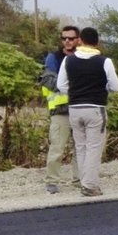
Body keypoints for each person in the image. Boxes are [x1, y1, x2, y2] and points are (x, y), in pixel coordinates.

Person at [56, 27, 118, 197]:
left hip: (74, 108)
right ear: (97, 42)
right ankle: (90, 185)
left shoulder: (68, 61)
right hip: (95, 108)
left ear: (80, 41)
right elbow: (115, 86)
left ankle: (84, 181)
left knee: (81, 146)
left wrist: (75, 91)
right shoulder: (104, 61)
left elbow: (61, 85)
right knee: (94, 147)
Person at [39, 26, 82, 194]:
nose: (67, 41)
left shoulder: (83, 57)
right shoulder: (53, 58)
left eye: (71, 38)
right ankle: (52, 181)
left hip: (79, 108)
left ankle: (79, 180)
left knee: (81, 148)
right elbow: (50, 81)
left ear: (78, 39)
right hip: (60, 111)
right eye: (64, 38)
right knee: (57, 147)